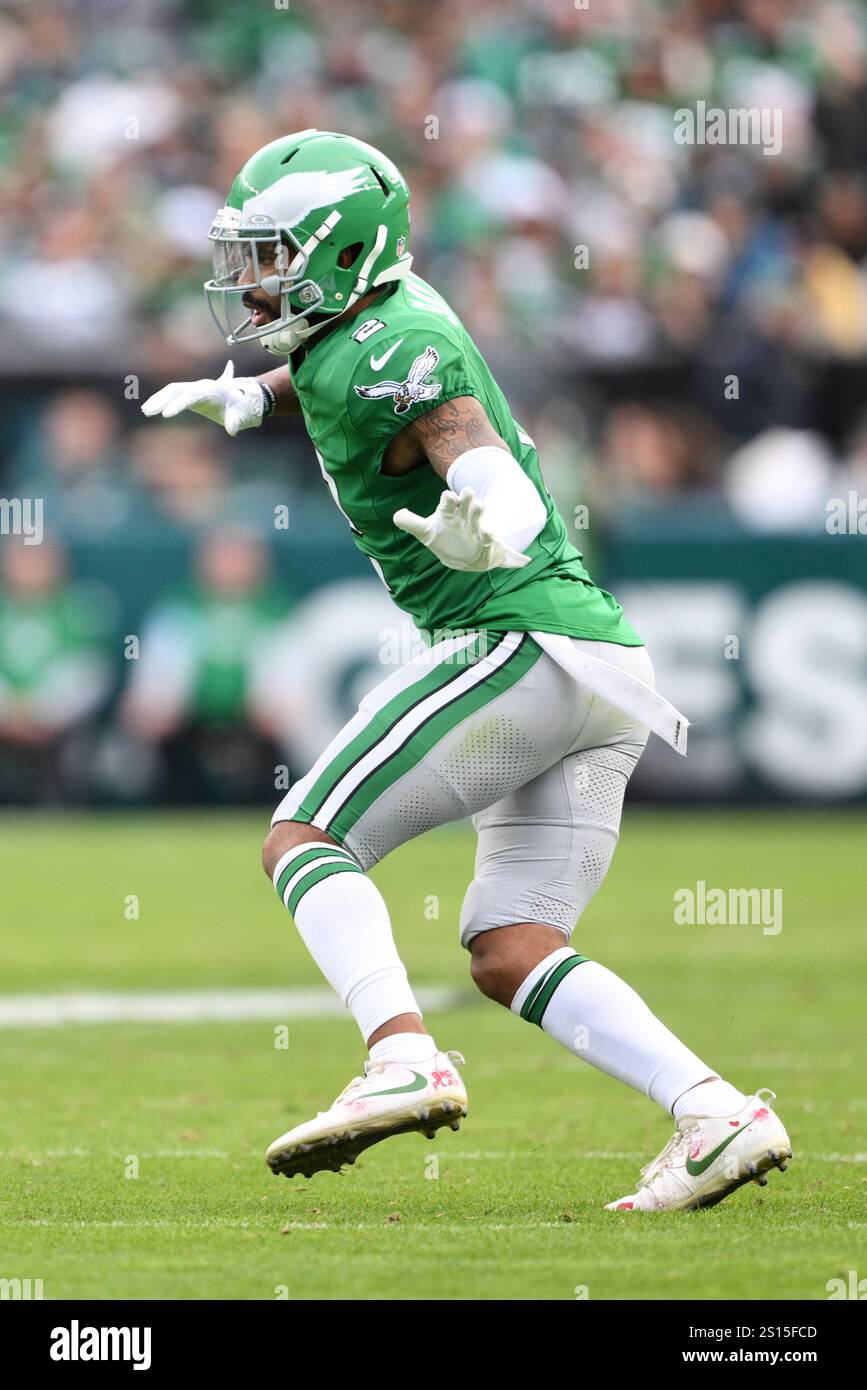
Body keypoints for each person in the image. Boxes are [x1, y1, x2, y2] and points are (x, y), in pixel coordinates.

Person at [142, 130, 791, 1212]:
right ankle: (715, 1111)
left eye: (270, 254)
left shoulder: (394, 345)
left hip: (514, 637)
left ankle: (400, 1052)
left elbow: (464, 434)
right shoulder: (366, 315)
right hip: (599, 663)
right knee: (510, 945)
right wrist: (255, 399)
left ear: (340, 251)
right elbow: (342, 371)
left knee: (305, 836)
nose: (249, 281)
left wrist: (491, 507)